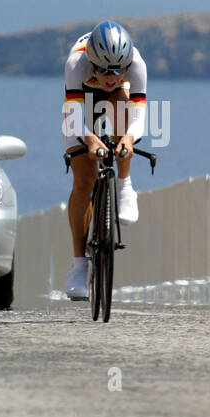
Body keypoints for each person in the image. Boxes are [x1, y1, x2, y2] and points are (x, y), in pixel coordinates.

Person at [62, 20, 147, 301]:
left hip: (116, 100)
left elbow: (139, 118)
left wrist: (128, 139)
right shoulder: (76, 64)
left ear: (128, 63)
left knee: (122, 110)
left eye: (117, 70)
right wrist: (89, 138)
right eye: (103, 70)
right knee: (84, 180)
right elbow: (73, 117)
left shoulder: (137, 66)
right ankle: (78, 265)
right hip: (82, 101)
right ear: (91, 62)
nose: (111, 76)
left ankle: (124, 185)